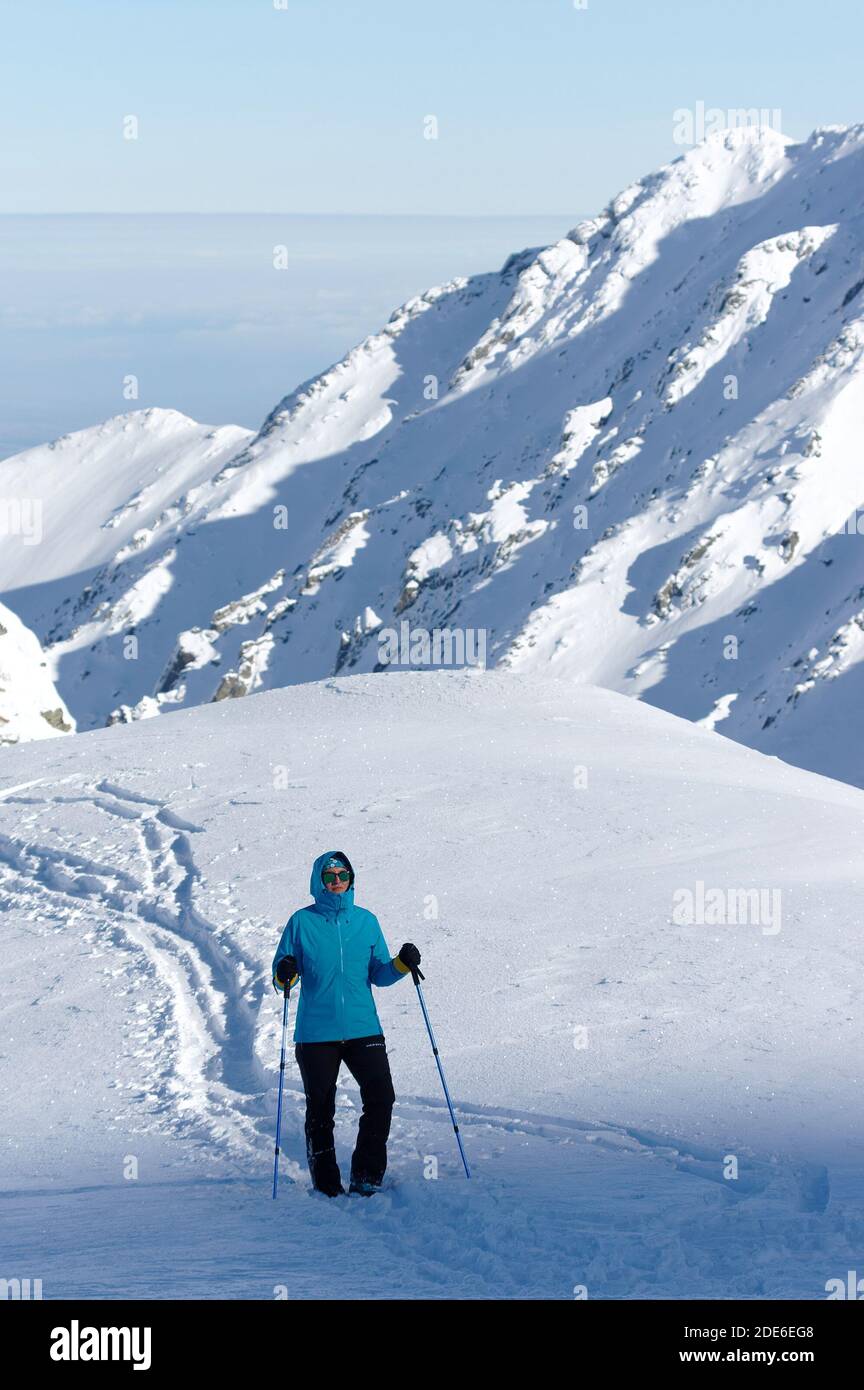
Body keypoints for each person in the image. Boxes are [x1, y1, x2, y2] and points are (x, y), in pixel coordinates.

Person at [272, 850, 421, 1197]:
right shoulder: (301, 922)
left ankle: (367, 1174)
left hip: (362, 1028)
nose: (337, 881)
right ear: (318, 881)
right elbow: (281, 978)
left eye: (343, 875)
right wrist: (284, 973)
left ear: (352, 879)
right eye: (329, 876)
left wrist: (401, 963)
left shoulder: (367, 921)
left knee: (381, 1097)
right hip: (316, 1033)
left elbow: (379, 974)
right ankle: (325, 1182)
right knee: (321, 1107)